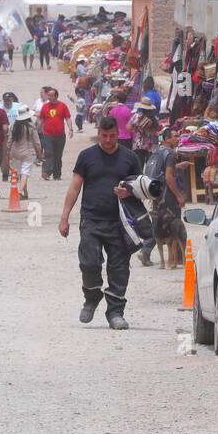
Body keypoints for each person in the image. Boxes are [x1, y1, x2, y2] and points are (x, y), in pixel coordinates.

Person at [59, 115, 142, 329]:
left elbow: (141, 189)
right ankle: (92, 296)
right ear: (99, 133)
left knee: (119, 269)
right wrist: (64, 217)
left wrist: (129, 192)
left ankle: (115, 313)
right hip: (91, 219)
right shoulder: (87, 156)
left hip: (120, 223)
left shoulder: (130, 158)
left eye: (112, 136)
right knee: (89, 263)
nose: (108, 140)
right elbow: (75, 187)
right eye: (104, 136)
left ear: (118, 133)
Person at [137, 126, 187, 267]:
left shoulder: (157, 150)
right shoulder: (171, 154)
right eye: (175, 136)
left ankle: (145, 251)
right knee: (175, 225)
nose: (178, 139)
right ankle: (177, 259)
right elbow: (169, 177)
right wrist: (179, 196)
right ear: (166, 139)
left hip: (156, 193)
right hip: (167, 196)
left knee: (158, 223)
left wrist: (177, 166)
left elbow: (162, 171)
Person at [6, 103, 43, 198]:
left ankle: (25, 193)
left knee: (21, 173)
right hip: (28, 153)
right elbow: (37, 142)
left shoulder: (13, 126)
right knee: (25, 173)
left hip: (16, 153)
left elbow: (9, 141)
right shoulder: (30, 126)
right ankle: (20, 192)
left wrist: (8, 153)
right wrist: (40, 154)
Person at [39, 88, 72, 182]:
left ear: (56, 96)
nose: (49, 97)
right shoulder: (45, 106)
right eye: (48, 95)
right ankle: (46, 172)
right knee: (48, 153)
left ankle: (57, 175)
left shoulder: (62, 106)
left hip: (60, 135)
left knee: (58, 156)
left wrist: (71, 129)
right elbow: (41, 119)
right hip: (47, 134)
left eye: (51, 95)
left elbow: (67, 118)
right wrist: (37, 130)